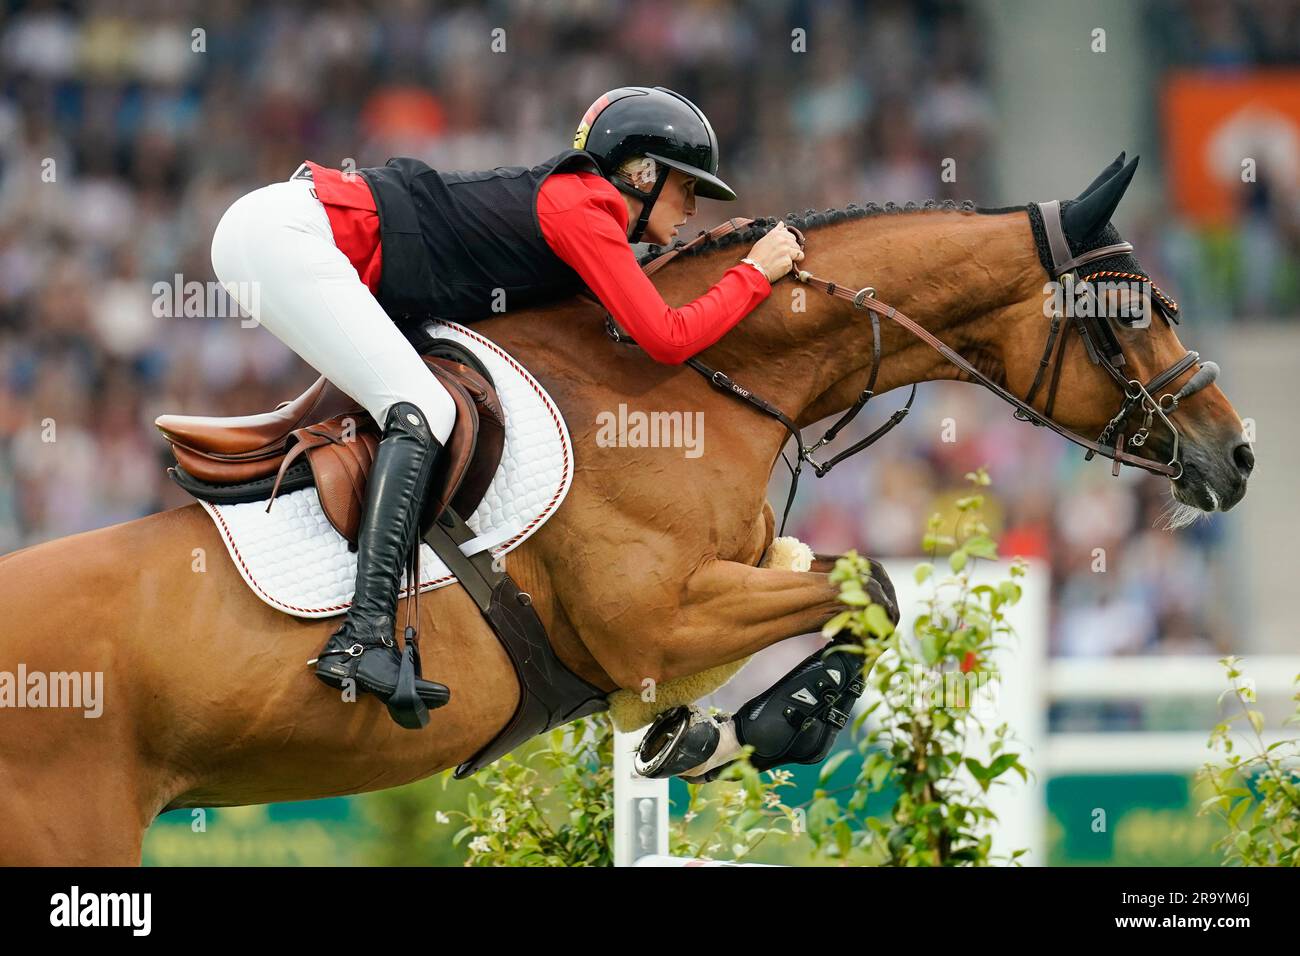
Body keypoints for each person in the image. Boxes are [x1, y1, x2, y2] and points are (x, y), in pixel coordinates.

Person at [208, 86, 804, 729]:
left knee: (418, 405)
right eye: (687, 188)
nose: (692, 207)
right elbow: (665, 336)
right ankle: (363, 637)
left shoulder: (583, 207)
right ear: (641, 173)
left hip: (291, 235)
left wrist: (717, 255)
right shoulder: (586, 206)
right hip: (287, 238)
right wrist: (753, 274)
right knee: (423, 410)